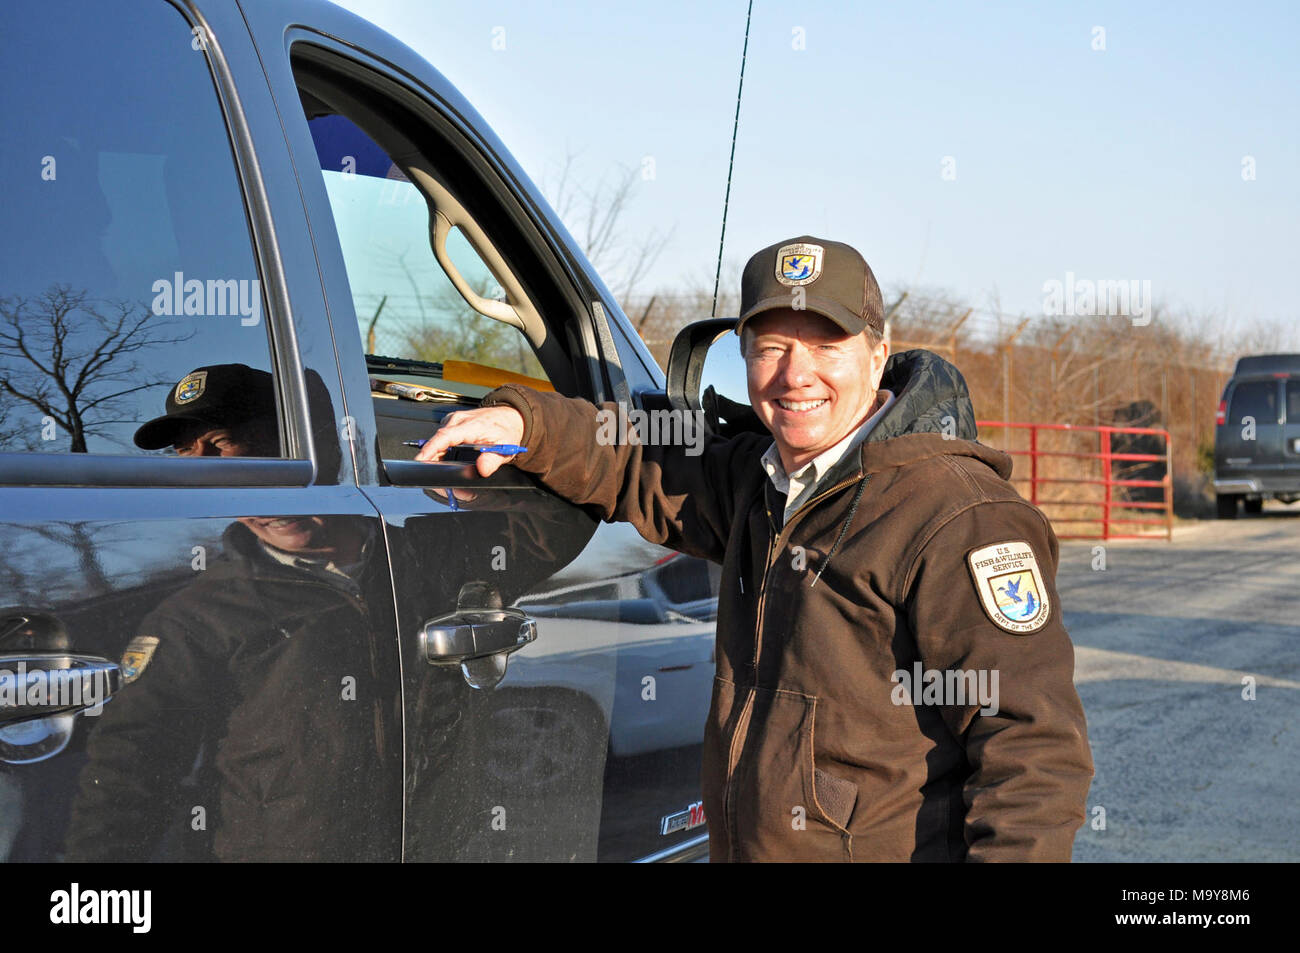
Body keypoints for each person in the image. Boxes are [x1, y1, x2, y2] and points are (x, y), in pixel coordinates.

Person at [417, 235, 1094, 862]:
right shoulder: (757, 479)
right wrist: (524, 422)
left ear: (878, 354)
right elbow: (633, 457)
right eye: (770, 347)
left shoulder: (960, 517)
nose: (795, 374)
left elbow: (1033, 753)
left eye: (825, 344)